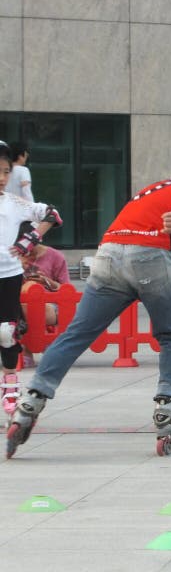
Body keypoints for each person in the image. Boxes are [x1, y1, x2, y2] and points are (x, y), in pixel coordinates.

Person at [7, 138, 171, 458]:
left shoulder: (156, 188)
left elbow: (170, 252)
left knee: (77, 334)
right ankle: (168, 410)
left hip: (110, 254)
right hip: (150, 258)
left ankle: (31, 401)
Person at [0, 146, 61, 427]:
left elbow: (52, 215)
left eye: (5, 172)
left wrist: (27, 242)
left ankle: (10, 387)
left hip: (9, 275)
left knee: (6, 331)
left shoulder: (15, 203)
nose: (2, 177)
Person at [20, 233, 72, 368]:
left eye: (29, 245)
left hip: (49, 305)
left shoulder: (55, 256)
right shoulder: (11, 257)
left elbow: (67, 290)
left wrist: (47, 281)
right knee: (19, 306)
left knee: (33, 307)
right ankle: (34, 347)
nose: (26, 251)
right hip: (19, 305)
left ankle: (28, 350)